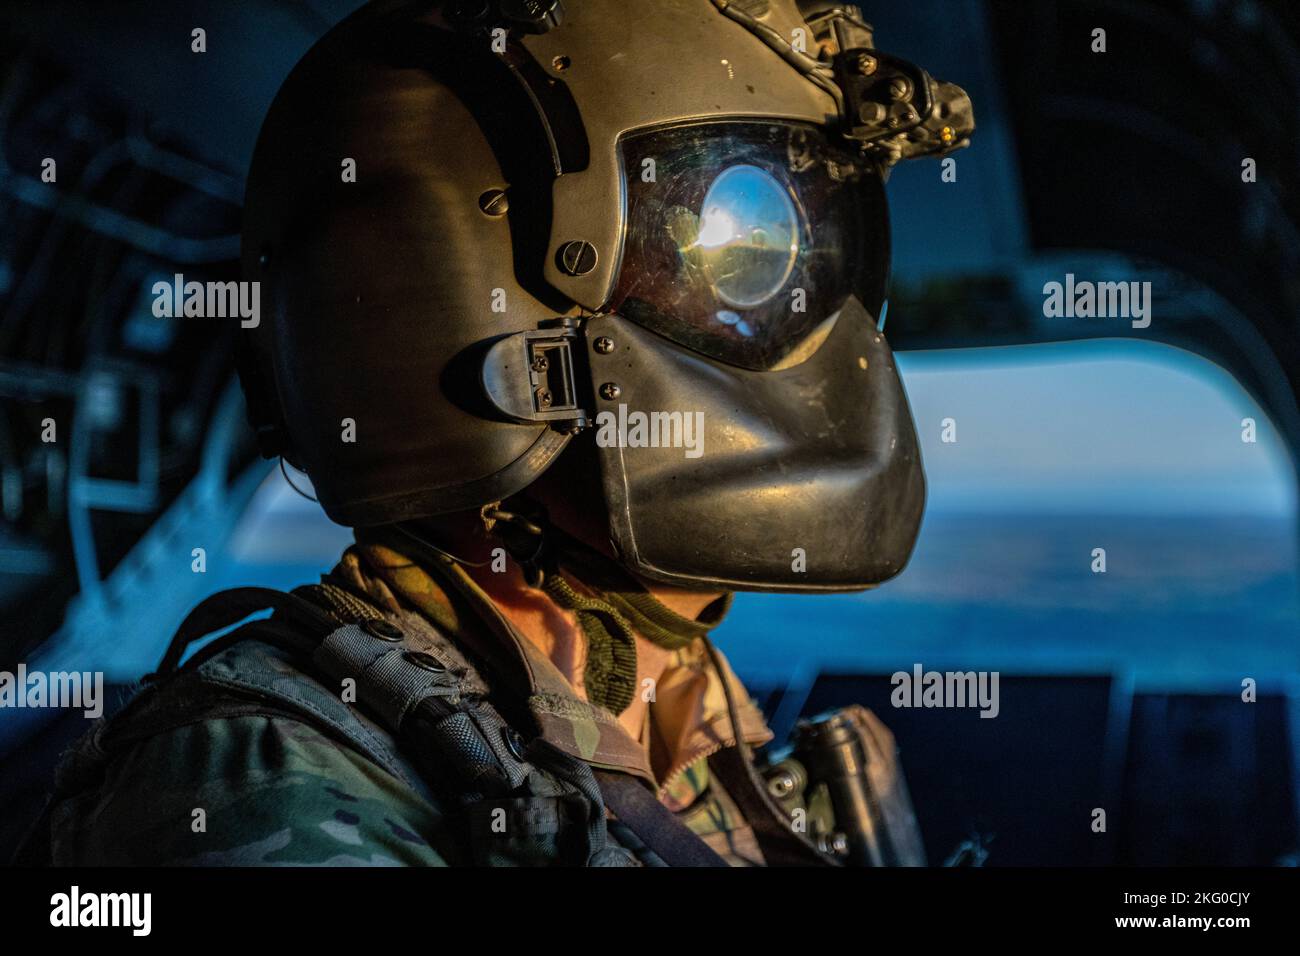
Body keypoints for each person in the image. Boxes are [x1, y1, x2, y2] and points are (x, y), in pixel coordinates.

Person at [25, 0, 973, 867]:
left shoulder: (682, 722)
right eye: (737, 256)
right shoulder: (269, 788)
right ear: (459, 303)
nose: (826, 340)